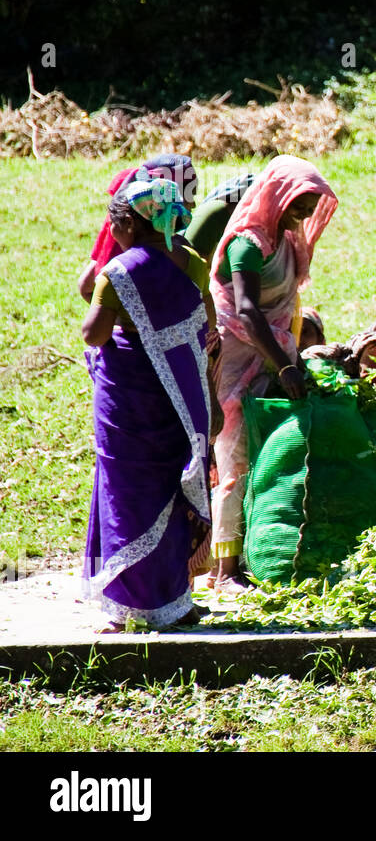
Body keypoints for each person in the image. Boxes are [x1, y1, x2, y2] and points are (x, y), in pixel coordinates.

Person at [79, 171, 216, 631]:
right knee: (173, 491)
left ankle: (127, 609)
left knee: (128, 492)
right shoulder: (192, 262)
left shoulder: (119, 270)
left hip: (130, 399)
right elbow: (206, 326)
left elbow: (95, 333)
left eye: (114, 224)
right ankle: (177, 601)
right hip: (179, 398)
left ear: (130, 225)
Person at [208, 155, 339, 592]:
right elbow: (245, 310)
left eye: (308, 206)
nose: (303, 214)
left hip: (269, 355)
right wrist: (284, 364)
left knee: (263, 453)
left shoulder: (284, 238)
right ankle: (224, 569)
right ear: (277, 195)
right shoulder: (247, 244)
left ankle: (250, 553)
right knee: (234, 456)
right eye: (298, 204)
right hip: (239, 359)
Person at [78, 154, 199, 302]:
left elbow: (85, 287)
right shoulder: (180, 254)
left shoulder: (131, 233)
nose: (193, 204)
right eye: (190, 195)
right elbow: (86, 286)